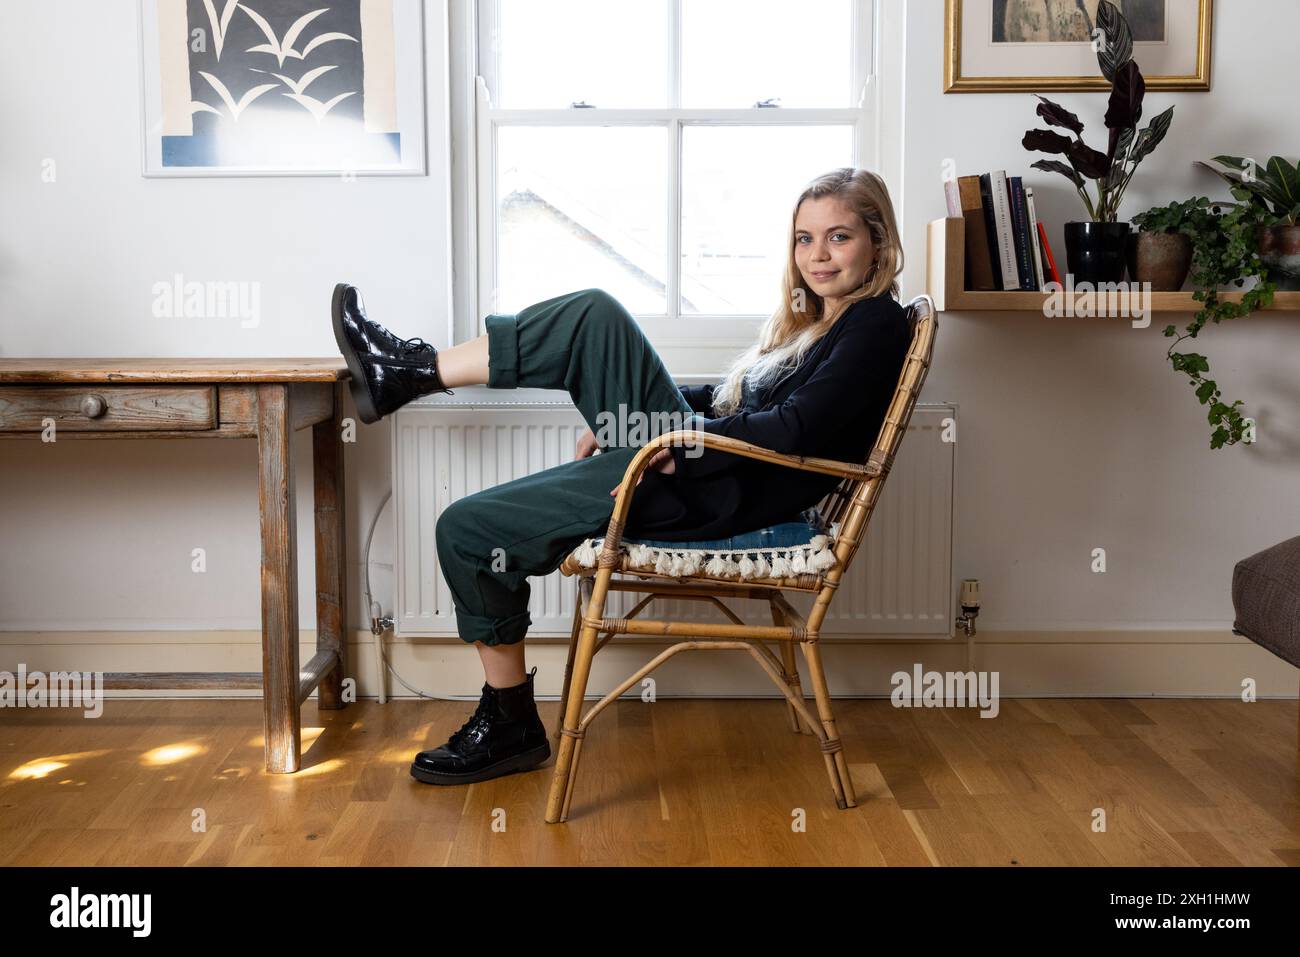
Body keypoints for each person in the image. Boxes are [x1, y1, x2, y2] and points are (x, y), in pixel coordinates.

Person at [331, 166, 912, 787]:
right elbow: (733, 401)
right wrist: (636, 424)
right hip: (704, 470)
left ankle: (510, 727)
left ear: (877, 243)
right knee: (594, 316)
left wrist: (683, 443)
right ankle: (411, 373)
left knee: (469, 527)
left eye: (839, 237)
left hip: (717, 491)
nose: (817, 255)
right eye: (804, 238)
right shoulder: (819, 324)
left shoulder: (873, 323)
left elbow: (794, 429)